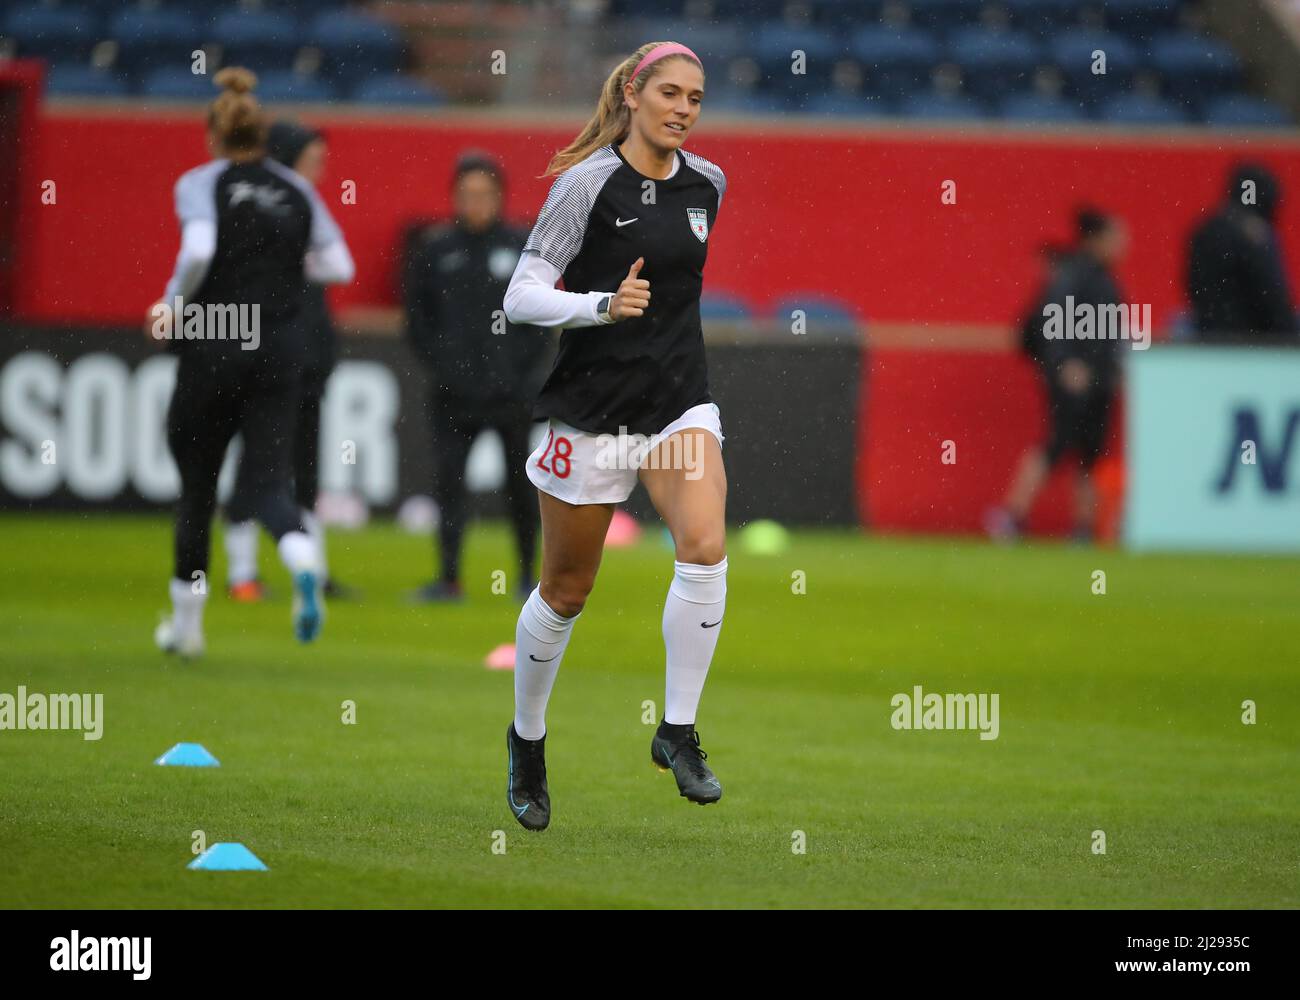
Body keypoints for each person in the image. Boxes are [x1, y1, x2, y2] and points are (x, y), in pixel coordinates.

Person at [500, 41, 729, 830]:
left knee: (703, 545)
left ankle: (676, 729)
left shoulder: (709, 184)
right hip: (594, 409)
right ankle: (527, 742)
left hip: (677, 402)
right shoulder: (585, 184)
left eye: (695, 98)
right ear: (633, 95)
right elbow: (523, 293)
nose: (683, 109)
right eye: (669, 92)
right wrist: (598, 305)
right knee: (567, 591)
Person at [148, 68, 354, 657]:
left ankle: (187, 630)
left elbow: (198, 250)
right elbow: (339, 267)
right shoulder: (295, 188)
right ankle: (303, 560)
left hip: (214, 340)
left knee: (197, 487)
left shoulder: (202, 181)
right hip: (280, 346)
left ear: (213, 136)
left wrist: (170, 305)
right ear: (263, 137)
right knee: (267, 484)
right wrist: (285, 273)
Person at [403, 151, 548, 603]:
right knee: (450, 485)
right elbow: (418, 322)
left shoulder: (523, 248)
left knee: (521, 488)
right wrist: (447, 369)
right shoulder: (434, 250)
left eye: (485, 194)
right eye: (468, 194)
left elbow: (541, 320)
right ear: (455, 198)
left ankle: (527, 578)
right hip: (453, 396)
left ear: (500, 197)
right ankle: (449, 579)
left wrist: (519, 377)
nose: (476, 202)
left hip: (511, 397)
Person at [223, 120, 356, 603]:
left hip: (306, 359)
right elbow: (341, 267)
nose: (320, 168)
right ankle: (242, 572)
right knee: (258, 463)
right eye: (312, 158)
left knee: (304, 465)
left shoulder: (301, 210)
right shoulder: (271, 214)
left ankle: (311, 570)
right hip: (265, 359)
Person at [987, 208, 1128, 543]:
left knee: (1090, 451)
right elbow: (1054, 324)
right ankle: (1011, 516)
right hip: (1073, 379)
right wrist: (1065, 363)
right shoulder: (1076, 275)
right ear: (1097, 239)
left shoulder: (1101, 277)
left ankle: (1083, 527)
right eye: (1117, 236)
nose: (1123, 244)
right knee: (1056, 444)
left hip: (1097, 379)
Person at [1187, 162, 1298, 340]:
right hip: (1257, 339)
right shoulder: (1256, 237)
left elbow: (1192, 285)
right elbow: (1273, 298)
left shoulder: (1205, 229)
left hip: (1208, 333)